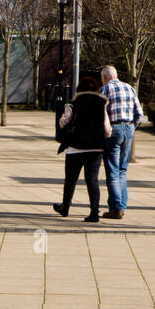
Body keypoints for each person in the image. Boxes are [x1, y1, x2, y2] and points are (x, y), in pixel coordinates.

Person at [53, 75, 111, 222]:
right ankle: (94, 212)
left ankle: (65, 207)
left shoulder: (76, 102)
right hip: (96, 147)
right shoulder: (101, 104)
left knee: (71, 179)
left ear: (80, 89)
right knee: (92, 180)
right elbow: (107, 128)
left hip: (76, 147)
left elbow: (63, 122)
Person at [99, 65, 144, 220]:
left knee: (112, 170)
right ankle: (122, 206)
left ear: (105, 77)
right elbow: (139, 113)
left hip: (113, 128)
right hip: (129, 127)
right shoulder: (130, 88)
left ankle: (116, 207)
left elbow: (101, 115)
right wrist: (131, 127)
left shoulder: (104, 90)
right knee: (122, 170)